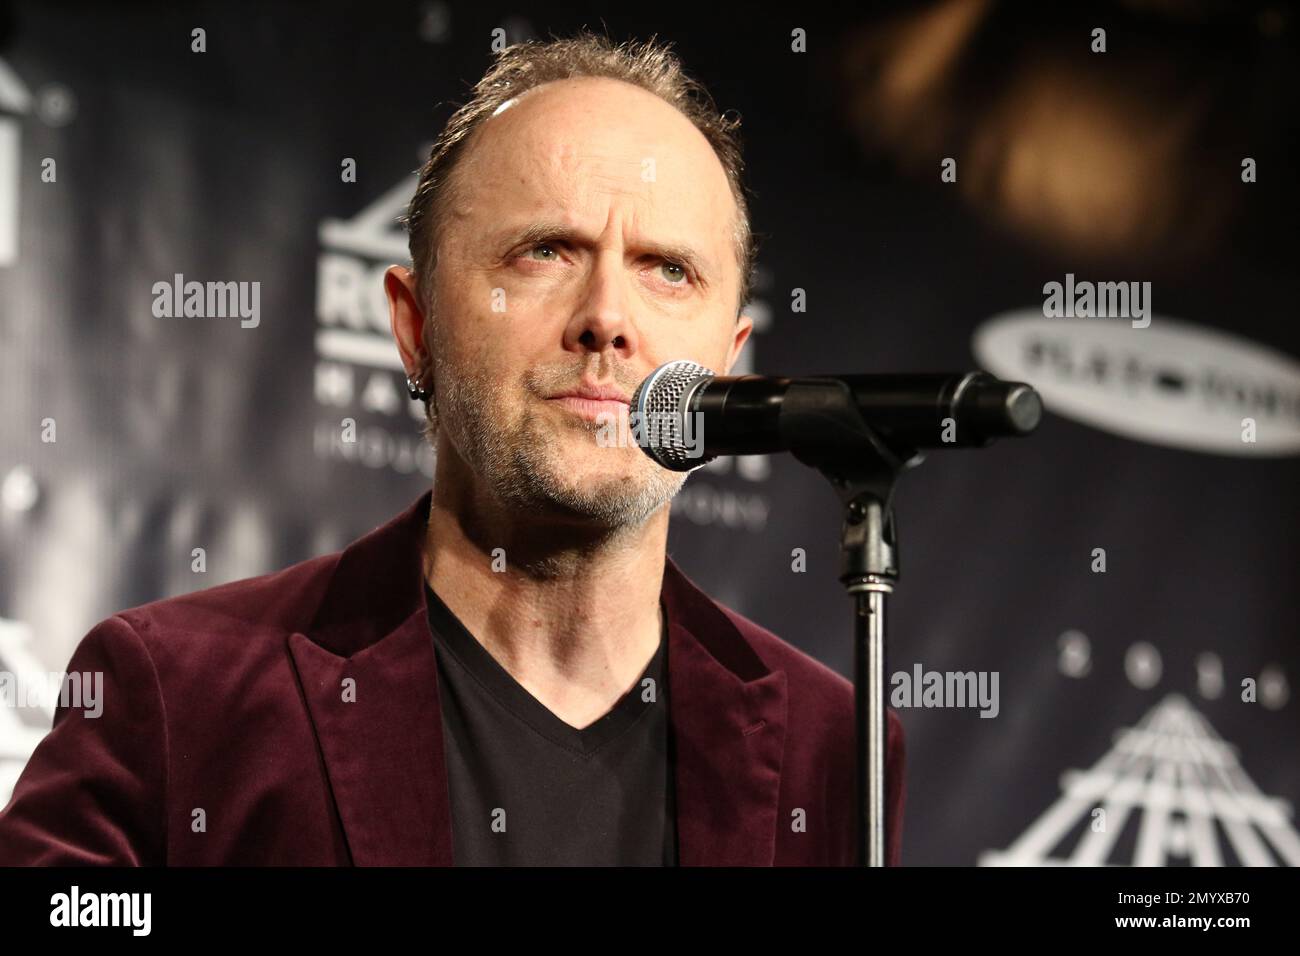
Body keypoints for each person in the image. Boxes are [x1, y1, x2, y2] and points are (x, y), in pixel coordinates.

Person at [0, 32, 905, 866]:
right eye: (546, 251)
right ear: (414, 323)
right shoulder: (176, 696)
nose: (608, 320)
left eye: (669, 270)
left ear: (731, 364)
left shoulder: (834, 747)